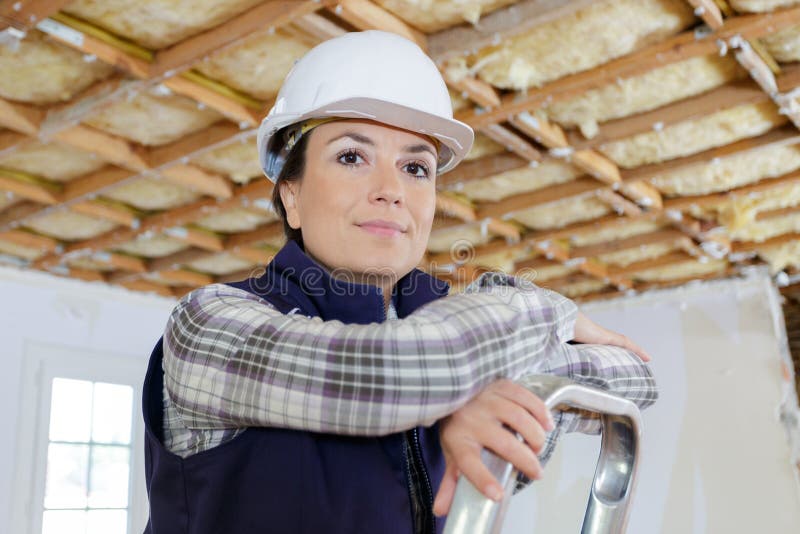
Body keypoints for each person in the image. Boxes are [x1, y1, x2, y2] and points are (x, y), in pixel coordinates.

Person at [141, 30, 657, 534]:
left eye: (415, 167)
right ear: (291, 196)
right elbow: (397, 370)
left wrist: (471, 385)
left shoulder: (463, 339)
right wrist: (546, 311)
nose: (391, 190)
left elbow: (635, 379)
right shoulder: (208, 325)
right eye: (351, 156)